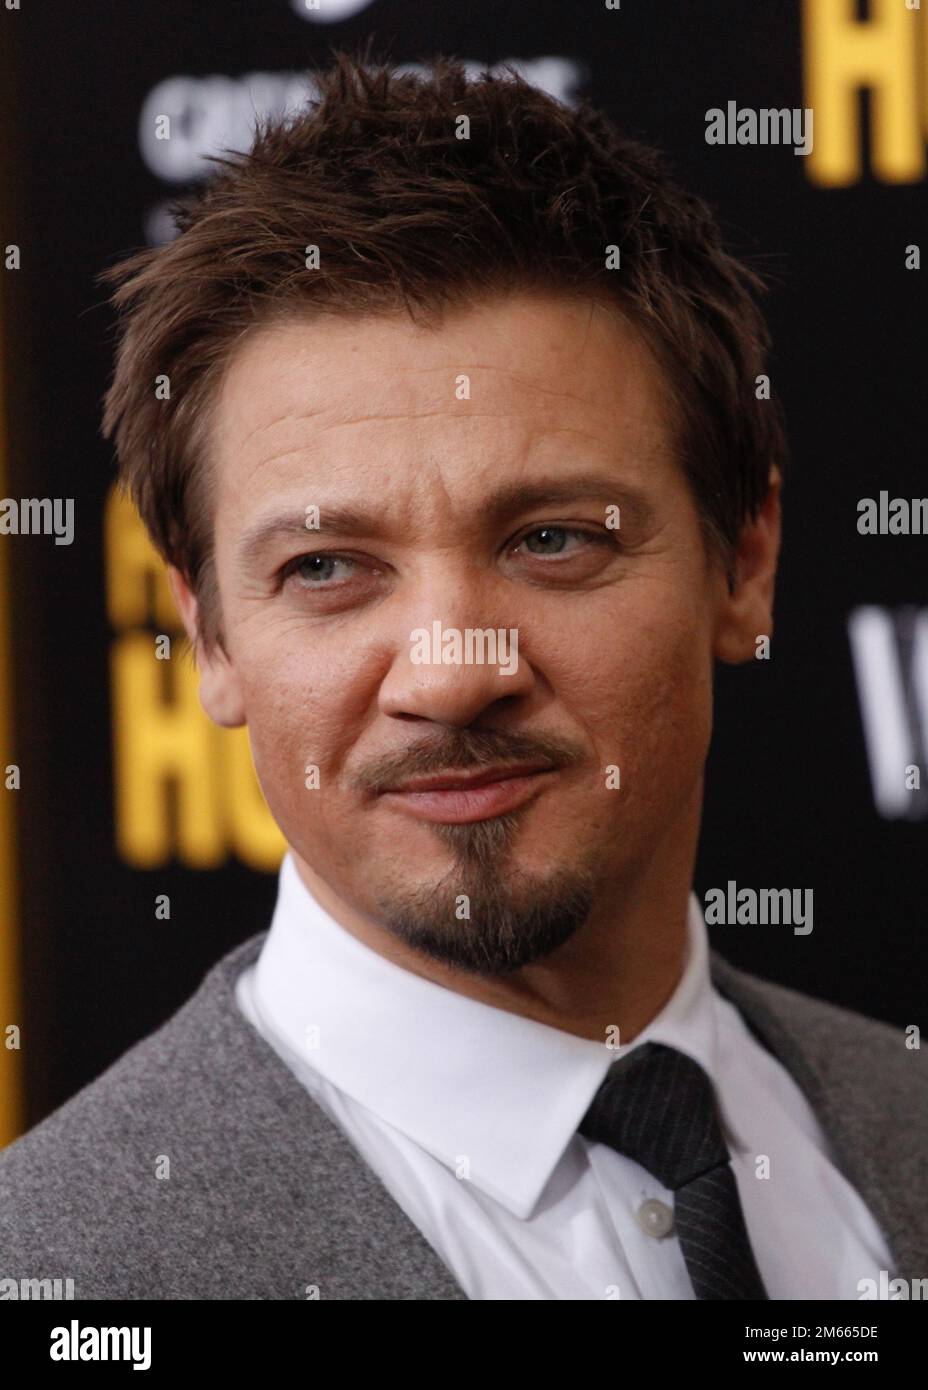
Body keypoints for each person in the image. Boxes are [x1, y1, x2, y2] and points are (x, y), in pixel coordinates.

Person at [1, 51, 924, 1302]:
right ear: (209, 636)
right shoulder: (52, 1271)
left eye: (552, 540)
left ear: (743, 560)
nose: (450, 674)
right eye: (328, 566)